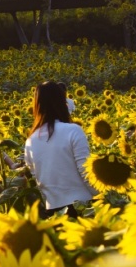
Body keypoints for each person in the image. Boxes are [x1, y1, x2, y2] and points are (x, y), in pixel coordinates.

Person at [24, 81, 94, 214]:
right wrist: (103, 195)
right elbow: (86, 172)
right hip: (82, 208)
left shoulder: (30, 141)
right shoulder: (73, 130)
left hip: (53, 211)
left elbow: (36, 178)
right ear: (62, 101)